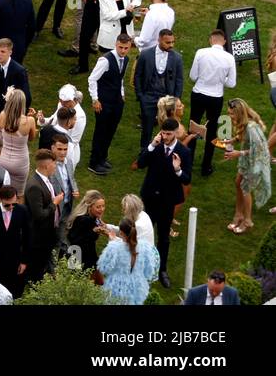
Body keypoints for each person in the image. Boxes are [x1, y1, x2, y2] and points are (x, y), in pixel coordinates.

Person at [136, 119, 192, 288]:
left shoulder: (184, 152)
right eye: (163, 133)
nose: (165, 136)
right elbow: (140, 163)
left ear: (176, 133)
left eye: (169, 134)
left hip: (167, 201)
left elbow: (187, 178)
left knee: (163, 237)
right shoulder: (156, 145)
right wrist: (152, 145)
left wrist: (178, 170)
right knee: (141, 233)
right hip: (149, 198)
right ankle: (138, 266)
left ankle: (162, 270)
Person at [189, 29, 237, 177]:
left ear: (211, 40)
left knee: (193, 127)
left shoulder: (201, 52)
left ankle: (187, 162)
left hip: (198, 93)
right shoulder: (229, 58)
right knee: (211, 131)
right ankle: (206, 167)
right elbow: (231, 83)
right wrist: (220, 80)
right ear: (224, 41)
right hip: (215, 97)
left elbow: (192, 76)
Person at [87, 33, 134, 176]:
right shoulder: (105, 60)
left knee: (111, 130)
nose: (123, 51)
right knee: (101, 131)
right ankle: (94, 162)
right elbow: (92, 79)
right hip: (103, 101)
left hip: (117, 101)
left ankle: (102, 157)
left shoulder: (125, 60)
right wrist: (95, 99)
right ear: (116, 44)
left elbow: (120, 79)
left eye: (126, 48)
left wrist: (122, 94)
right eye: (121, 47)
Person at [222, 99, 271, 234]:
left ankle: (247, 220)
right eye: (228, 113)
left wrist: (239, 153)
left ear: (239, 113)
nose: (230, 116)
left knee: (245, 188)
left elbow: (261, 150)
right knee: (238, 183)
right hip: (247, 159)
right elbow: (243, 134)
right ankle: (239, 214)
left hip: (255, 161)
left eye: (232, 114)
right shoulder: (245, 123)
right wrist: (233, 140)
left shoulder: (252, 127)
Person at [97, 218, 159, 305]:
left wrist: (111, 242)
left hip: (116, 287)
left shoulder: (114, 248)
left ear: (121, 233)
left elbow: (104, 268)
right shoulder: (145, 247)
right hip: (138, 287)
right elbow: (149, 271)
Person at [0, 186, 30, 298]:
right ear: (0, 199)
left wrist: (24, 261)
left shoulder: (22, 211)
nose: (11, 207)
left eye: (13, 204)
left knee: (14, 293)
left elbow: (28, 236)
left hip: (15, 260)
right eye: (7, 205)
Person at [23, 148, 62, 283]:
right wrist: (55, 203)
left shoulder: (45, 180)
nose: (55, 166)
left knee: (44, 261)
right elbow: (39, 215)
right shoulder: (34, 186)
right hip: (39, 236)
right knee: (37, 267)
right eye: (54, 163)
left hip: (48, 232)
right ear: (46, 165)